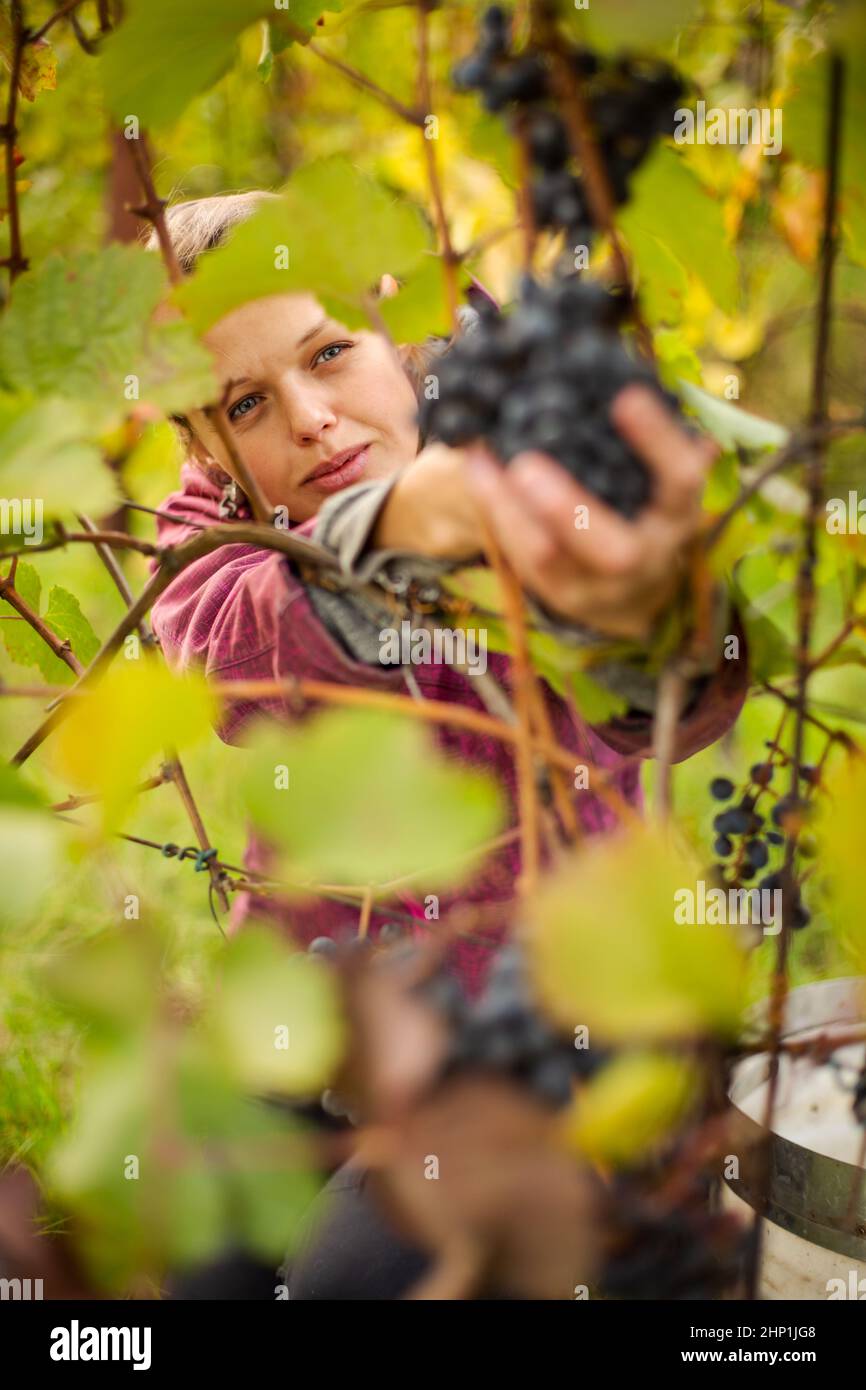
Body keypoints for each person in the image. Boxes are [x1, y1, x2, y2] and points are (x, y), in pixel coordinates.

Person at [144, 191, 747, 1297]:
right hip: (320, 999)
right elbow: (217, 638)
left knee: (353, 1283)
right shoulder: (219, 521)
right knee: (191, 1250)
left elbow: (682, 695)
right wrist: (390, 533)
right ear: (208, 442)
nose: (311, 419)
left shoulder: (548, 454)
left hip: (547, 1018)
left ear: (399, 321)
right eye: (247, 402)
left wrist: (638, 615)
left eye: (329, 354)